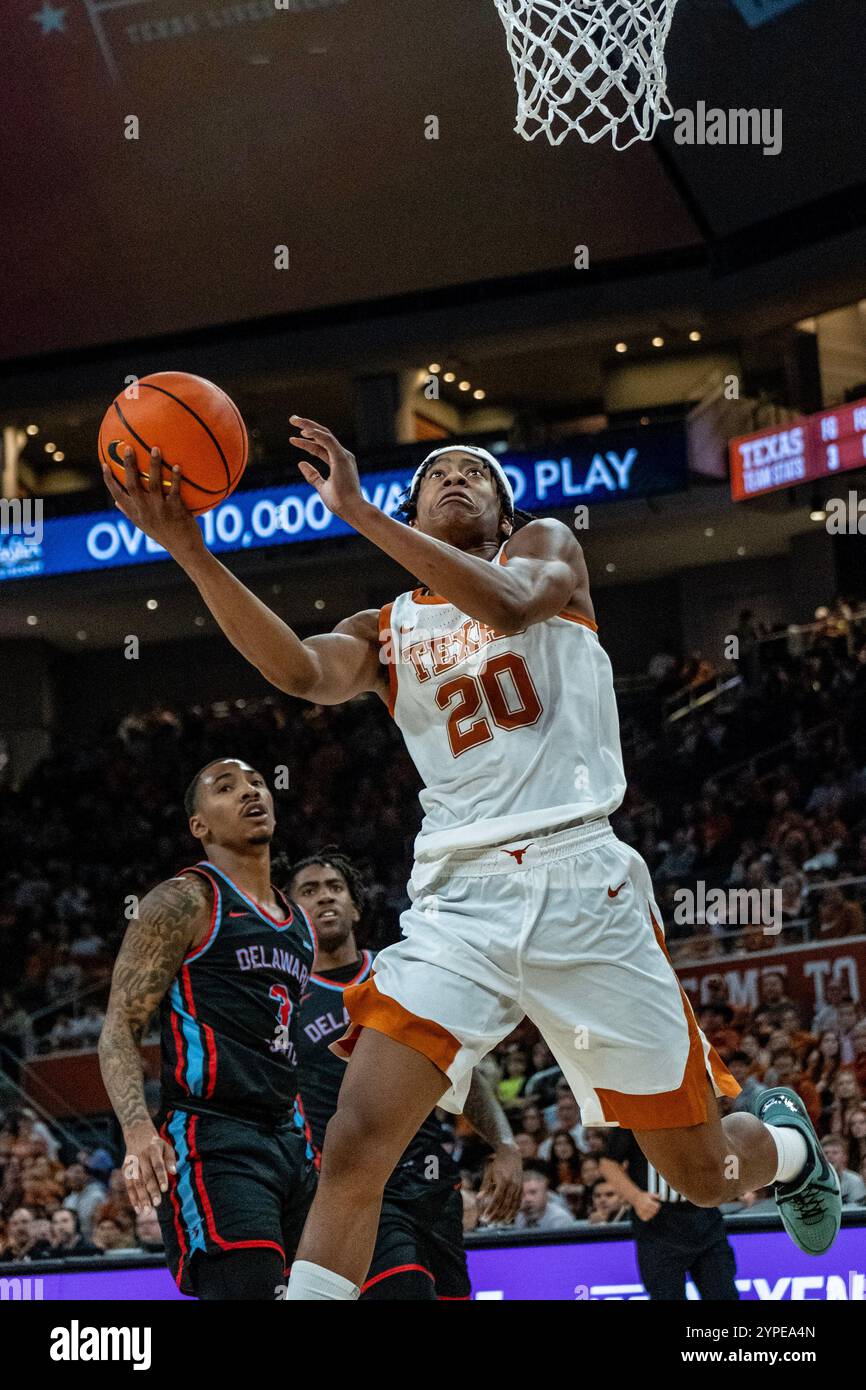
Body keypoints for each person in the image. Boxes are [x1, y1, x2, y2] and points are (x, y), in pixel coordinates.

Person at [103, 426, 842, 1302]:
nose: (455, 481)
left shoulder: (545, 551)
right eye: (437, 475)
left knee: (705, 1169)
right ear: (415, 507)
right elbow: (301, 671)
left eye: (474, 475)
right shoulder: (385, 627)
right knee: (355, 1139)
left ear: (501, 510)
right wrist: (192, 551)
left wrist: (360, 515)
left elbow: (514, 607)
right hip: (460, 905)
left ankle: (788, 1143)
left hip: (584, 884)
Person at [98, 757, 319, 1300]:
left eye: (258, 783)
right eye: (226, 788)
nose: (250, 793)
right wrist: (137, 1130)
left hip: (292, 1141)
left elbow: (287, 1045)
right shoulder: (184, 901)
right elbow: (119, 1028)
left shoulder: (299, 924)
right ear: (200, 826)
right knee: (246, 1288)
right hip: (214, 1136)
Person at [288, 849, 520, 1300]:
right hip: (358, 1186)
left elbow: (460, 1068)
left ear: (356, 907)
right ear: (292, 914)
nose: (325, 898)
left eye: (335, 888)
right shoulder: (286, 997)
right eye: (309, 892)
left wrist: (505, 1145)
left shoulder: (403, 975)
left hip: (430, 1181)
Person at [600, 1129, 738, 1301]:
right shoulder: (637, 1111)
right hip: (657, 1223)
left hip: (704, 1216)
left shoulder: (700, 1106)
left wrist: (733, 1184)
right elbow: (608, 1163)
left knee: (724, 1294)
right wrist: (636, 1197)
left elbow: (723, 1147)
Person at [821, 1136, 866, 1205]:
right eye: (826, 1153)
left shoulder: (855, 1181)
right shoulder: (812, 1181)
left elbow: (857, 1212)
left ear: (845, 1157)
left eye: (835, 1153)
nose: (829, 1156)